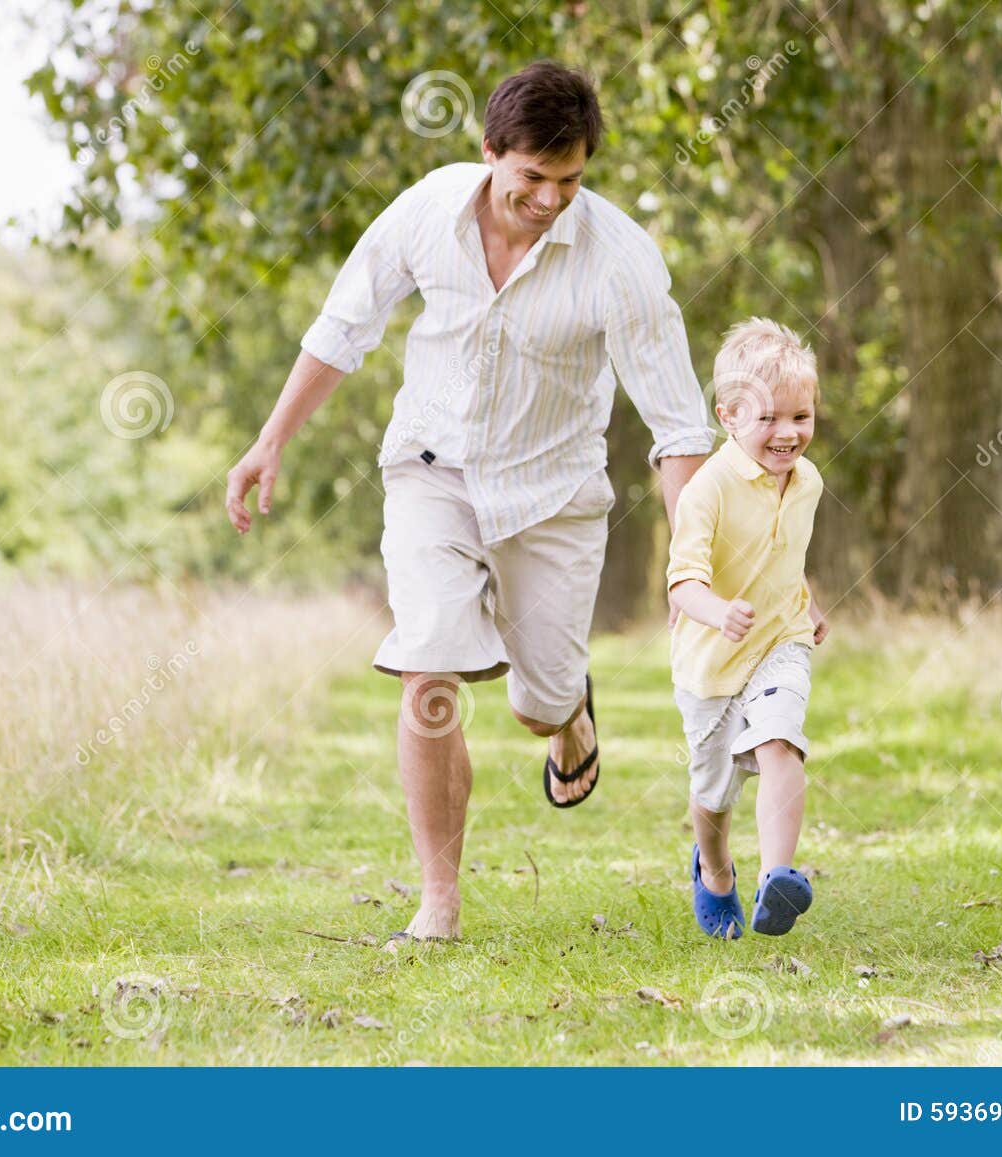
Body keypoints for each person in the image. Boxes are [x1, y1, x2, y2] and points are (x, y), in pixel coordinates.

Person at [224, 61, 713, 941]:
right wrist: (271, 439)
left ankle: (568, 713)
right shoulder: (427, 212)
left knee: (536, 702)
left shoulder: (620, 260)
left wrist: (690, 565)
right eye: (533, 177)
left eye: (570, 180)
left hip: (552, 496)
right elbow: (345, 324)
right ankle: (438, 903)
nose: (550, 199)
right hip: (433, 471)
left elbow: (678, 424)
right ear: (490, 151)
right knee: (428, 669)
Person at [666, 318, 829, 939]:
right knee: (714, 795)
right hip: (711, 664)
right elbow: (682, 583)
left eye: (801, 416)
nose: (788, 433)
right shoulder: (706, 490)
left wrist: (808, 604)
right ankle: (714, 869)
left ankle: (776, 878)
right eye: (769, 418)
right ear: (728, 416)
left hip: (780, 642)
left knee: (780, 740)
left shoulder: (808, 480)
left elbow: (784, 554)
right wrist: (718, 611)